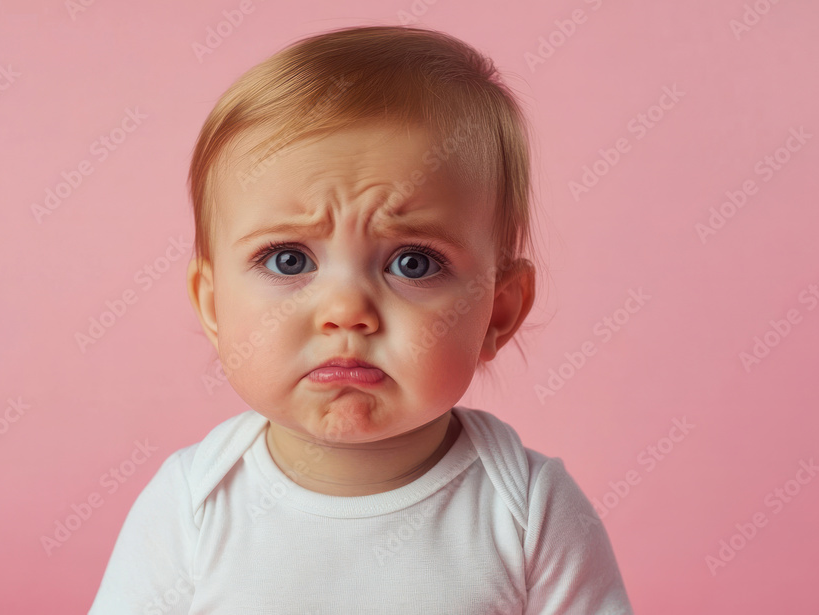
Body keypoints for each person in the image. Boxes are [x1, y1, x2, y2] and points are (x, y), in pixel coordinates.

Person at [89, 25, 633, 614]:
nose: (347, 311)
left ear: (498, 309)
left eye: (413, 262)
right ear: (211, 302)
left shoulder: (528, 511)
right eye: (288, 259)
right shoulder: (194, 504)